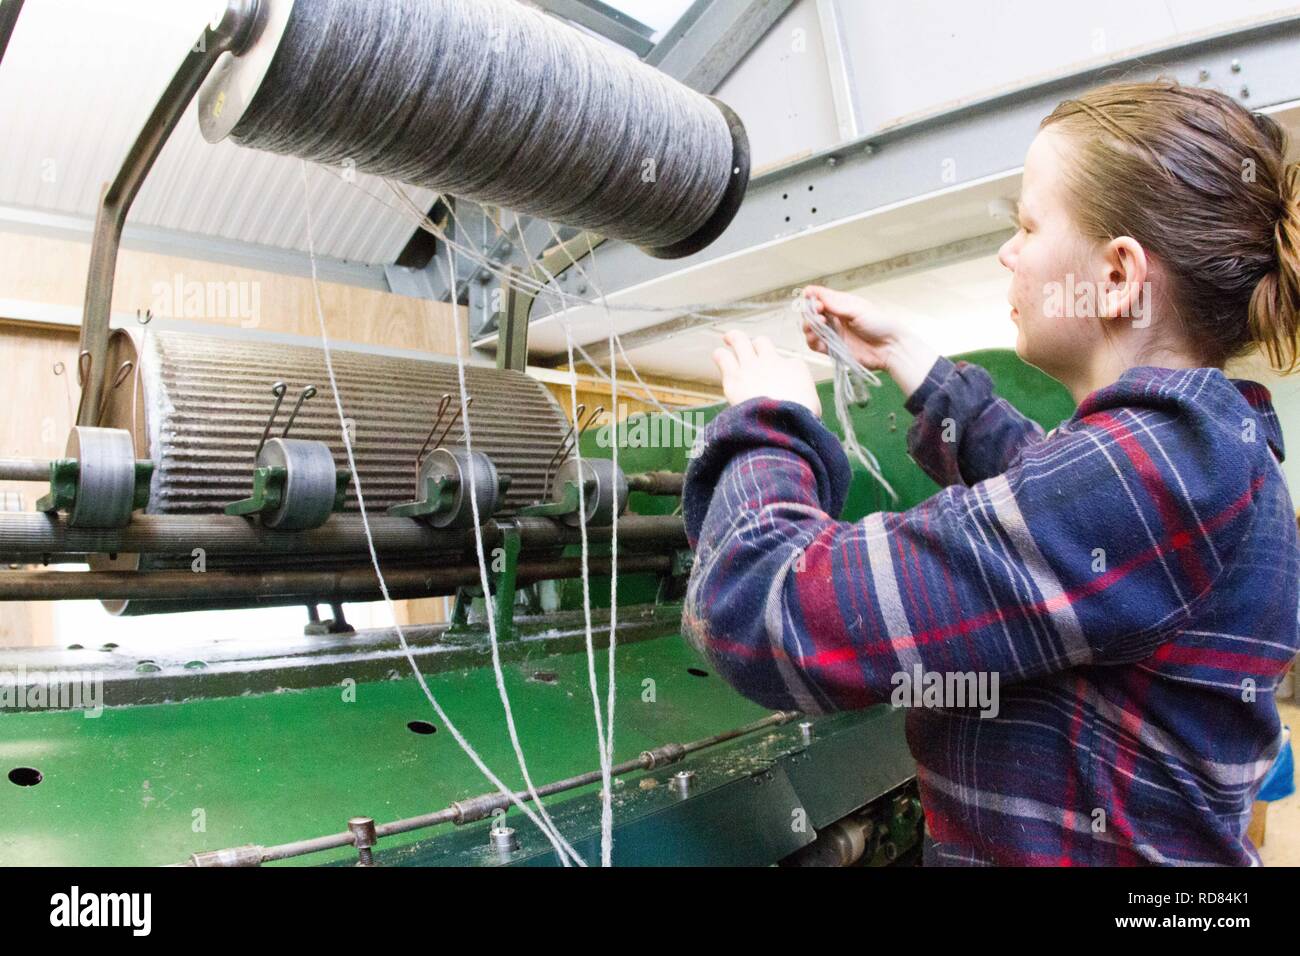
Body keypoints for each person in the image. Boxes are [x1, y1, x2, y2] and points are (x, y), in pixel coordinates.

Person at [681, 81, 1300, 865]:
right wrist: (913, 361)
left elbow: (759, 611)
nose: (1010, 251)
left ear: (1115, 276)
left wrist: (771, 424)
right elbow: (1045, 489)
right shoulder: (1210, 450)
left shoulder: (1161, 471)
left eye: (1029, 225)